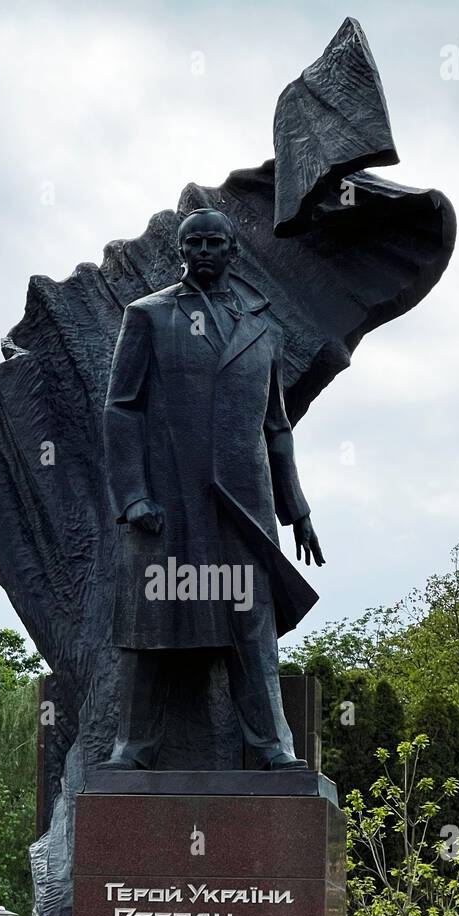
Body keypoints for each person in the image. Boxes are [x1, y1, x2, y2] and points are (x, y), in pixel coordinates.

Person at [100, 206, 324, 770]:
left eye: (214, 242)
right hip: (170, 497)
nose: (203, 250)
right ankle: (134, 746)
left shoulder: (263, 326)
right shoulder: (149, 316)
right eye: (192, 242)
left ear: (231, 251)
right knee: (154, 615)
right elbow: (122, 409)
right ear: (181, 251)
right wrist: (132, 496)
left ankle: (270, 747)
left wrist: (295, 508)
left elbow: (276, 427)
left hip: (244, 503)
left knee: (251, 621)